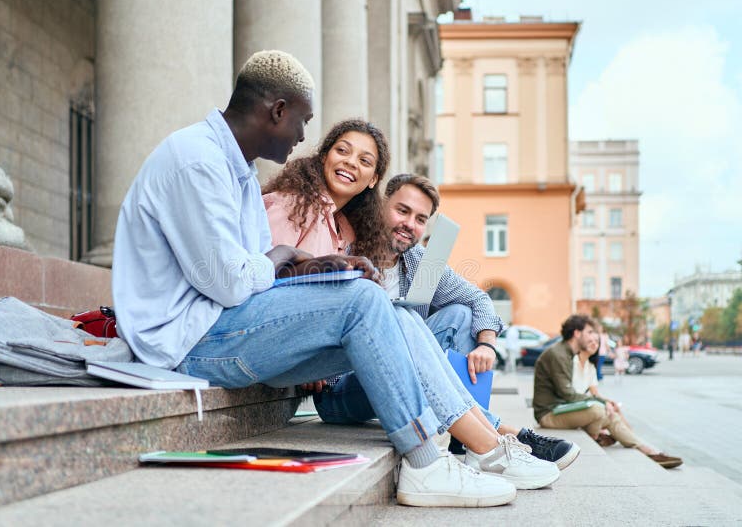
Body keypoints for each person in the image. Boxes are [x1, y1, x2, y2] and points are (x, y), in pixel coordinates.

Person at [113, 49, 521, 508]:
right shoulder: (197, 161)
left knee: (391, 311)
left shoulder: (238, 170)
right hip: (189, 341)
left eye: (420, 218)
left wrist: (310, 268)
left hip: (223, 326)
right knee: (365, 301)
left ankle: (482, 444)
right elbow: (228, 282)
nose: (304, 135)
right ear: (278, 110)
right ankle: (427, 463)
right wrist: (289, 256)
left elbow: (251, 267)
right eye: (303, 122)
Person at [265, 167, 579, 472]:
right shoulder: (347, 246)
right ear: (382, 206)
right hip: (341, 390)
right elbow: (309, 303)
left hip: (400, 378)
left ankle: (465, 433)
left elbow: (480, 300)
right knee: (401, 321)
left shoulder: (419, 263)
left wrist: (487, 345)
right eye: (402, 211)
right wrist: (311, 357)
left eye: (420, 219)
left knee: (460, 314)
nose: (409, 224)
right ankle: (502, 435)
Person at [533, 314, 682, 469]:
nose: (594, 337)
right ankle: (597, 436)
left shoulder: (565, 353)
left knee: (609, 414)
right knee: (598, 409)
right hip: (548, 415)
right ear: (577, 333)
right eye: (590, 332)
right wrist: (602, 402)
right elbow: (568, 394)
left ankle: (646, 450)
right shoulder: (559, 354)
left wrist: (604, 403)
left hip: (561, 409)